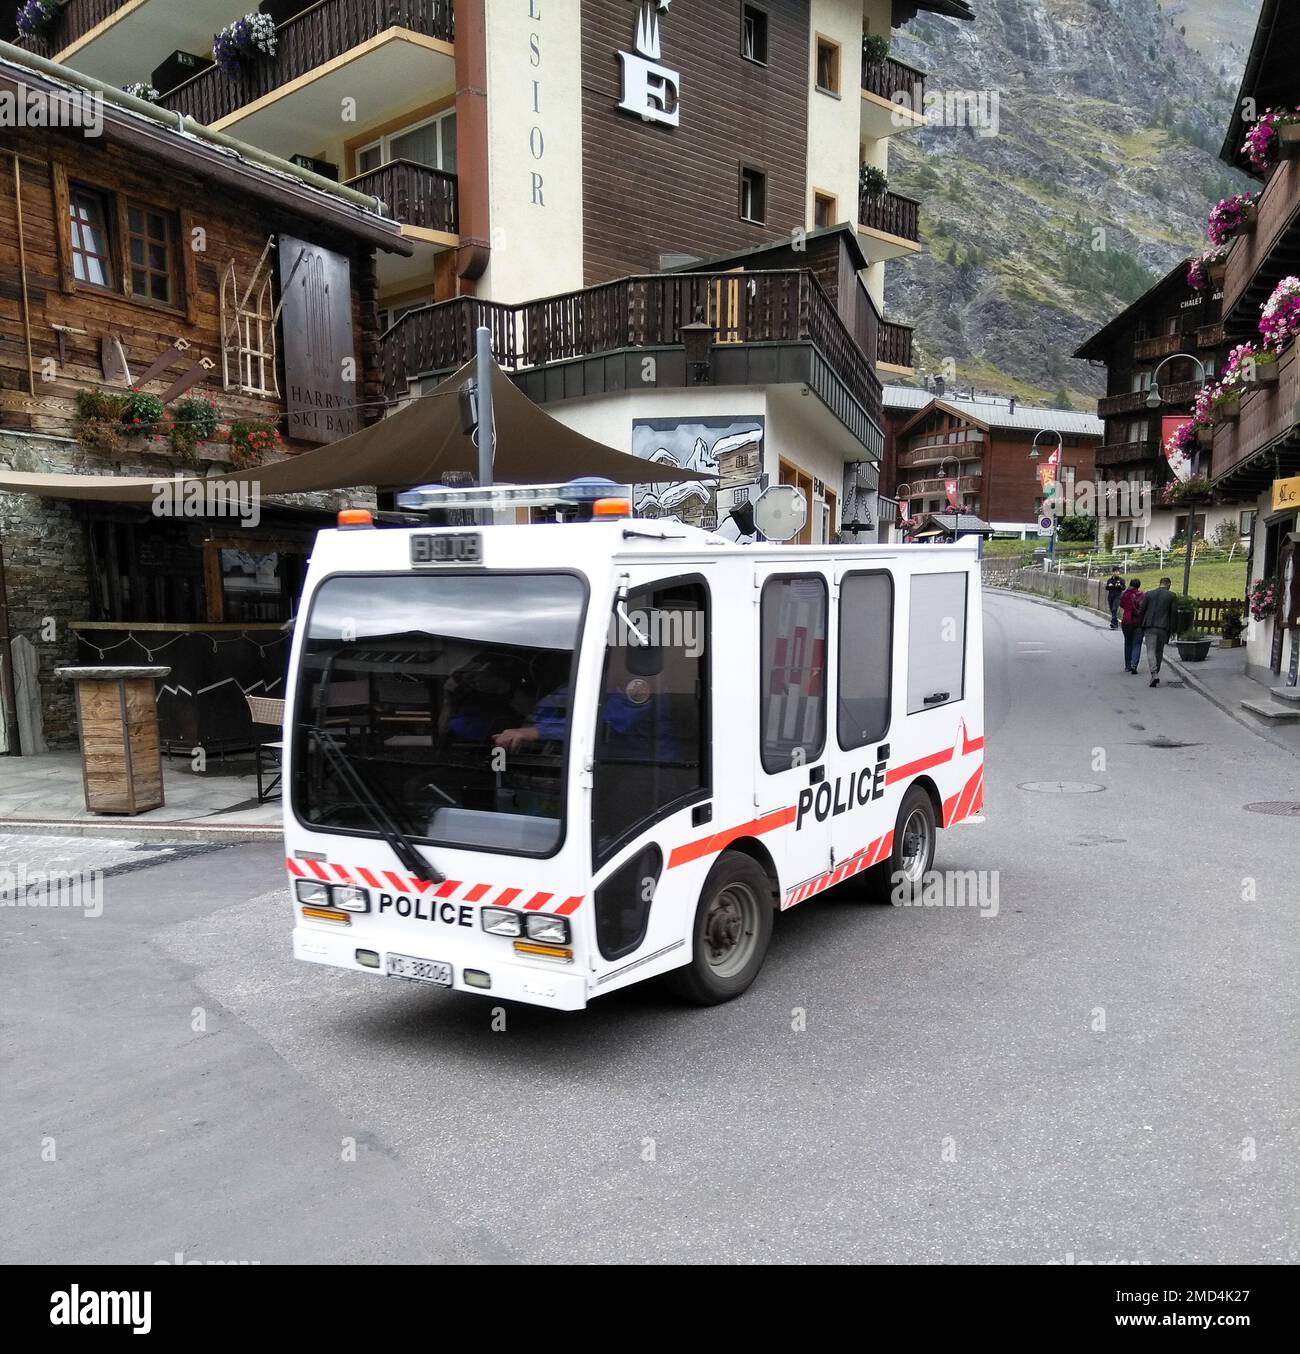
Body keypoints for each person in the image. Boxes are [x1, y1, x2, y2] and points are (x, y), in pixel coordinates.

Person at [1139, 576, 1180, 687]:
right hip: (1163, 628)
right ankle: (1156, 672)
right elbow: (1174, 614)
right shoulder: (1171, 596)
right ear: (1169, 584)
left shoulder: (1149, 594)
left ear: (1160, 583)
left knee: (1150, 651)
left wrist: (1141, 626)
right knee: (1159, 651)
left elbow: (1142, 610)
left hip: (1150, 626)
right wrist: (1173, 630)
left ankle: (1154, 673)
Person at [1119, 578, 1145, 674]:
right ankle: (1134, 664)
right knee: (1137, 644)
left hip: (1126, 621)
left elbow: (1121, 605)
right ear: (1138, 586)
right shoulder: (1142, 595)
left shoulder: (1124, 594)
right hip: (1138, 621)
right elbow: (1143, 607)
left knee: (1128, 643)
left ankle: (1127, 665)